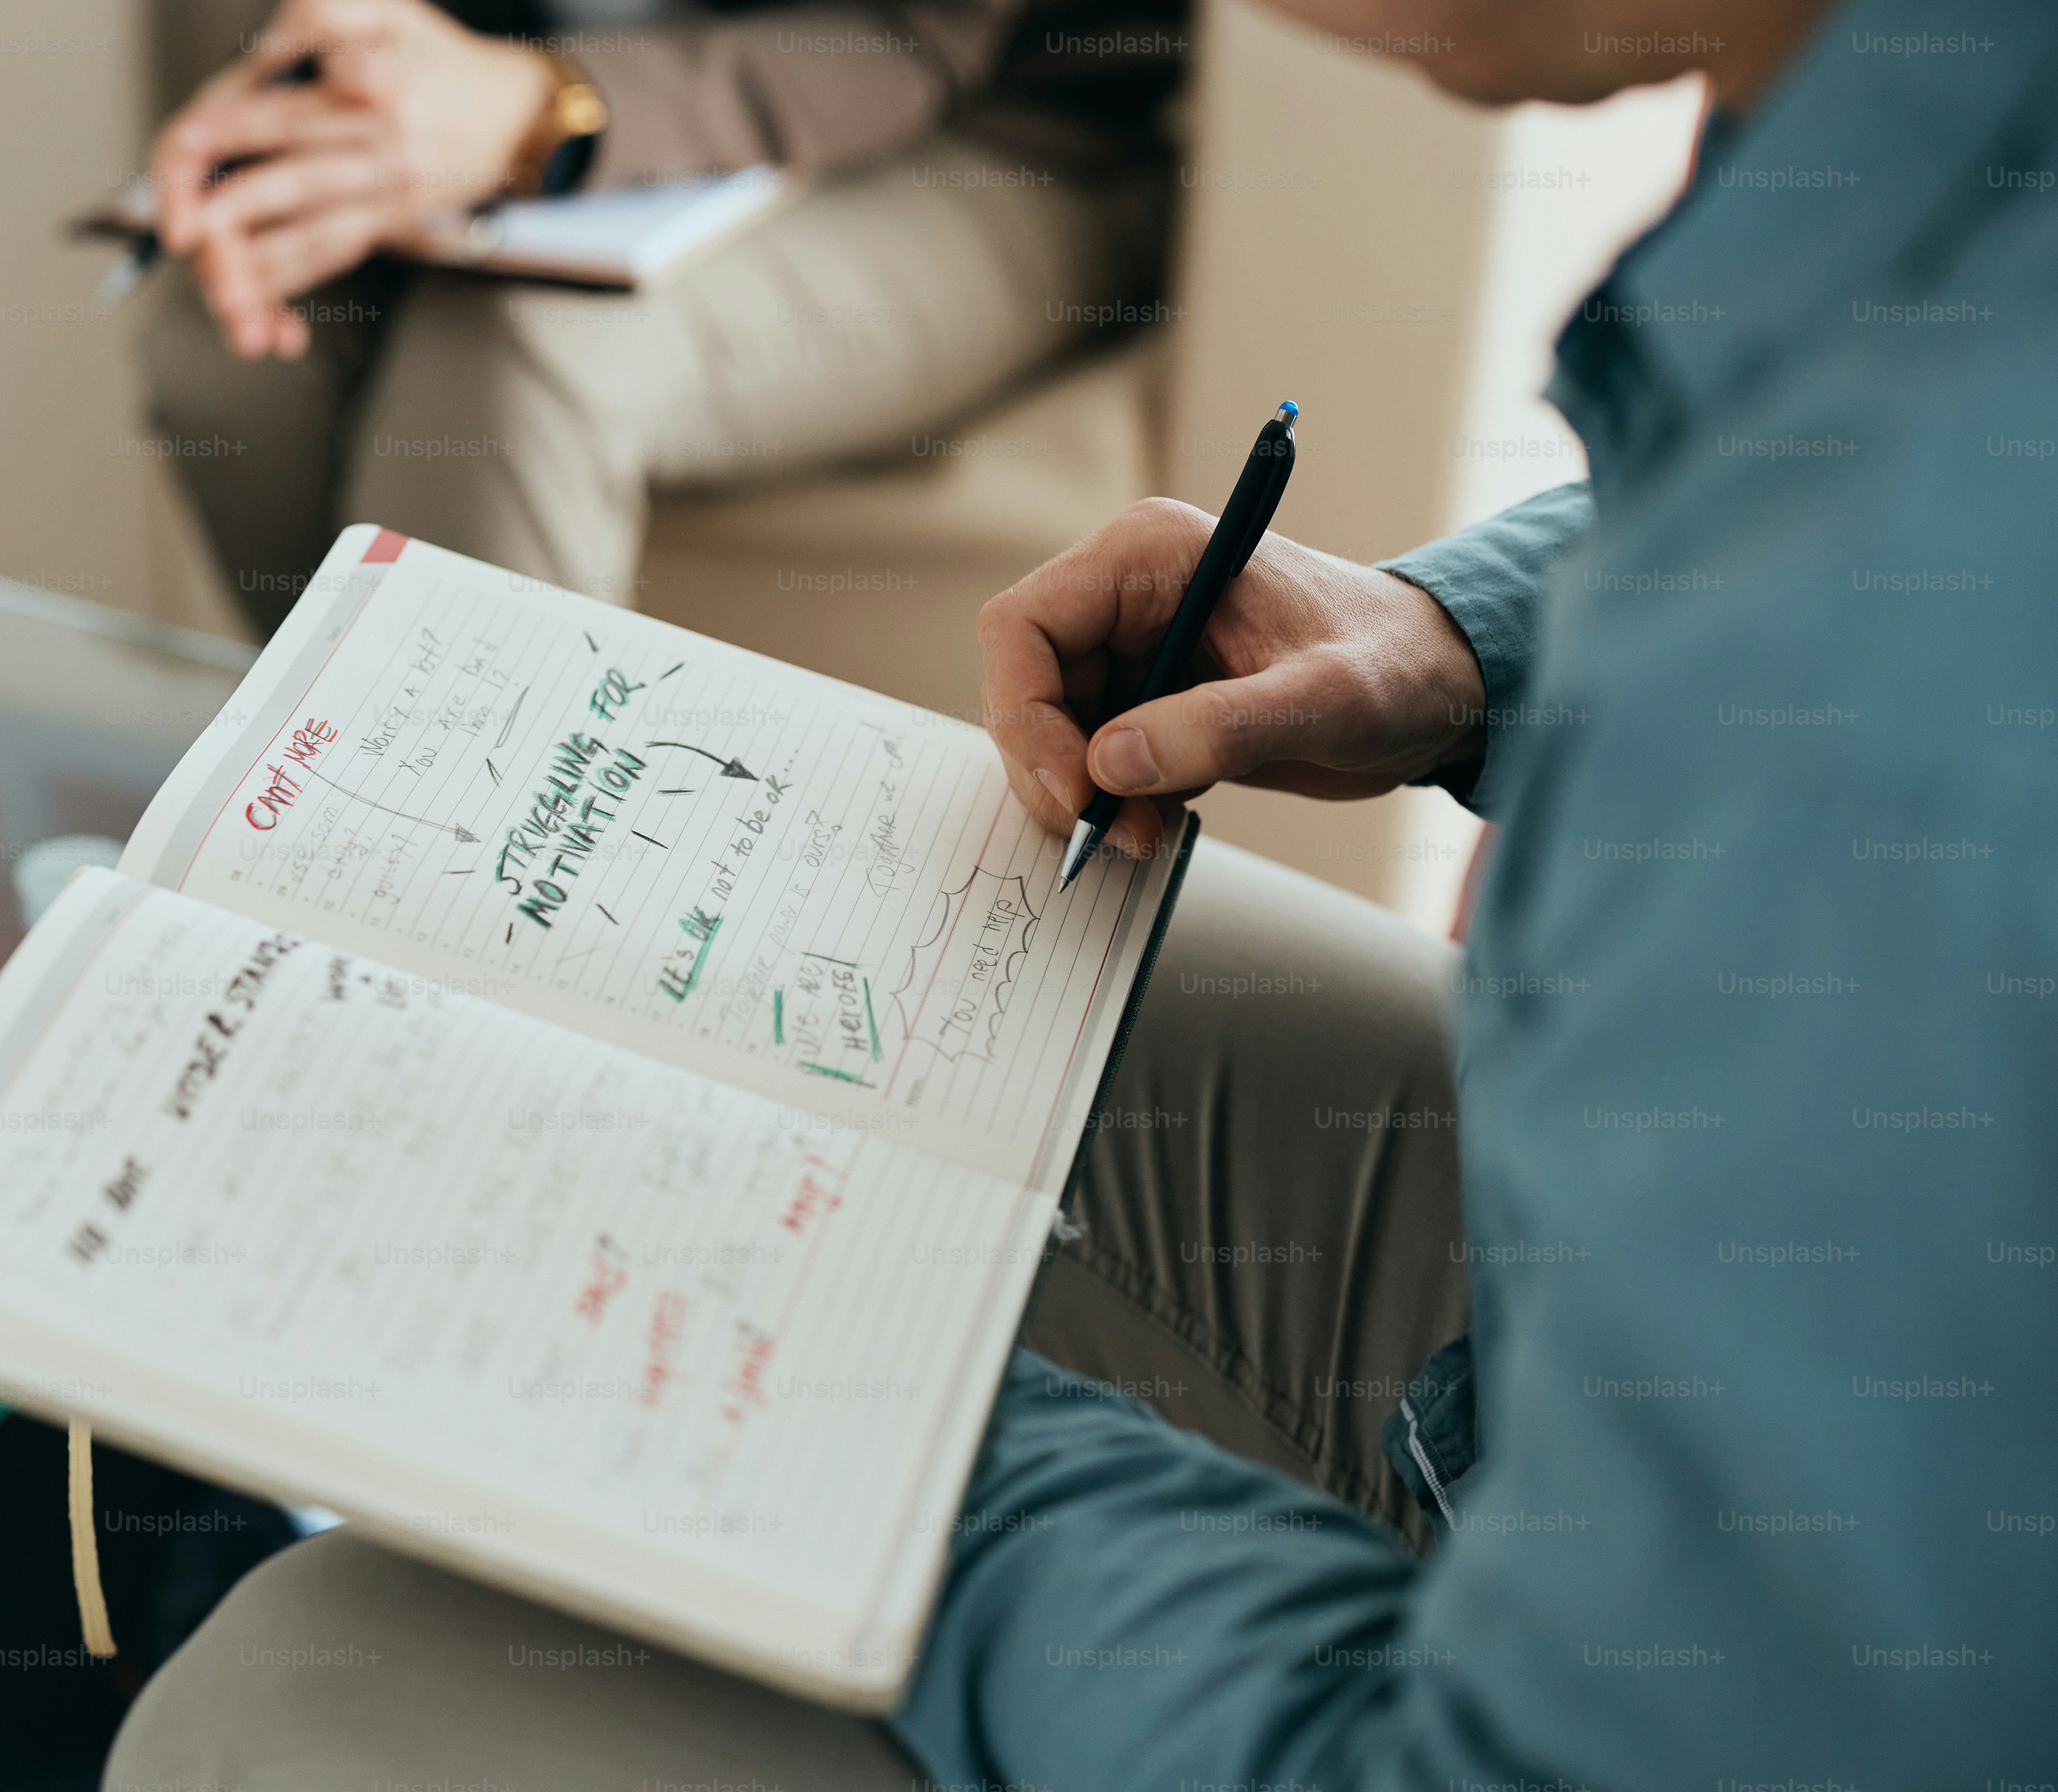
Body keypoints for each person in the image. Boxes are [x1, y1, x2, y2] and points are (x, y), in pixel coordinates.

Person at [104, 0, 2058, 1781]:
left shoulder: (1864, 706)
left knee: (301, 1687)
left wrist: (790, 1408)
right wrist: (1468, 636)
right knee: (893, 948)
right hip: (1650, 1390)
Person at [134, 0, 1185, 629]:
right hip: (517, 71)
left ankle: (476, 940)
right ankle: (315, 824)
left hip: (994, 117)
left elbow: (916, 32)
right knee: (224, 339)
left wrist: (549, 107)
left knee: (518, 356)